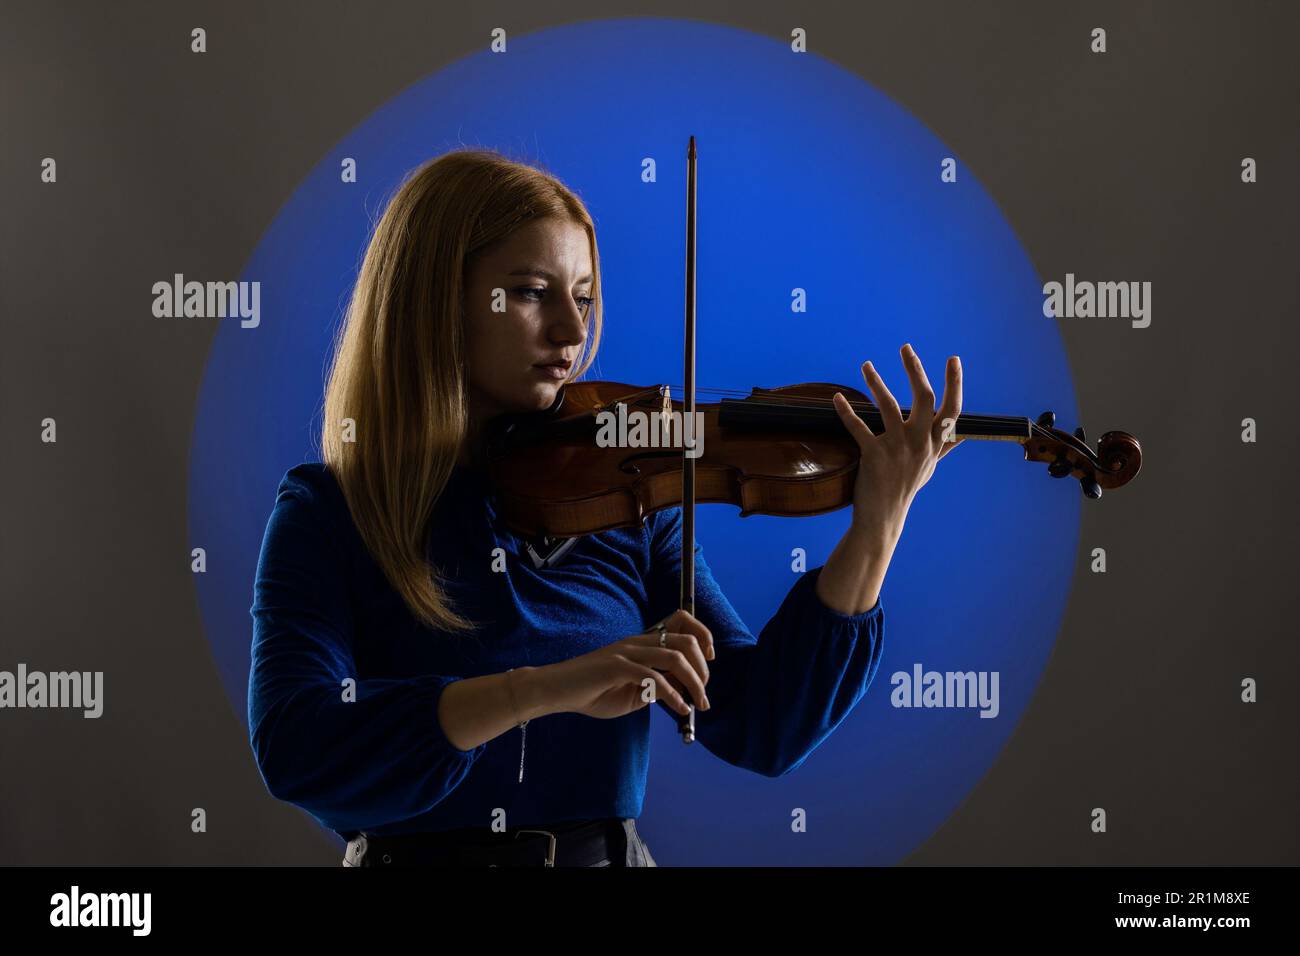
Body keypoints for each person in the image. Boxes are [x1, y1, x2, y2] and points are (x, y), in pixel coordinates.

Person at [247, 148, 964, 867]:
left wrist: (877, 526)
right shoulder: (331, 510)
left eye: (583, 296)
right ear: (435, 299)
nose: (570, 331)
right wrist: (552, 688)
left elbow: (763, 725)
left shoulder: (634, 500)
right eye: (531, 292)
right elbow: (298, 745)